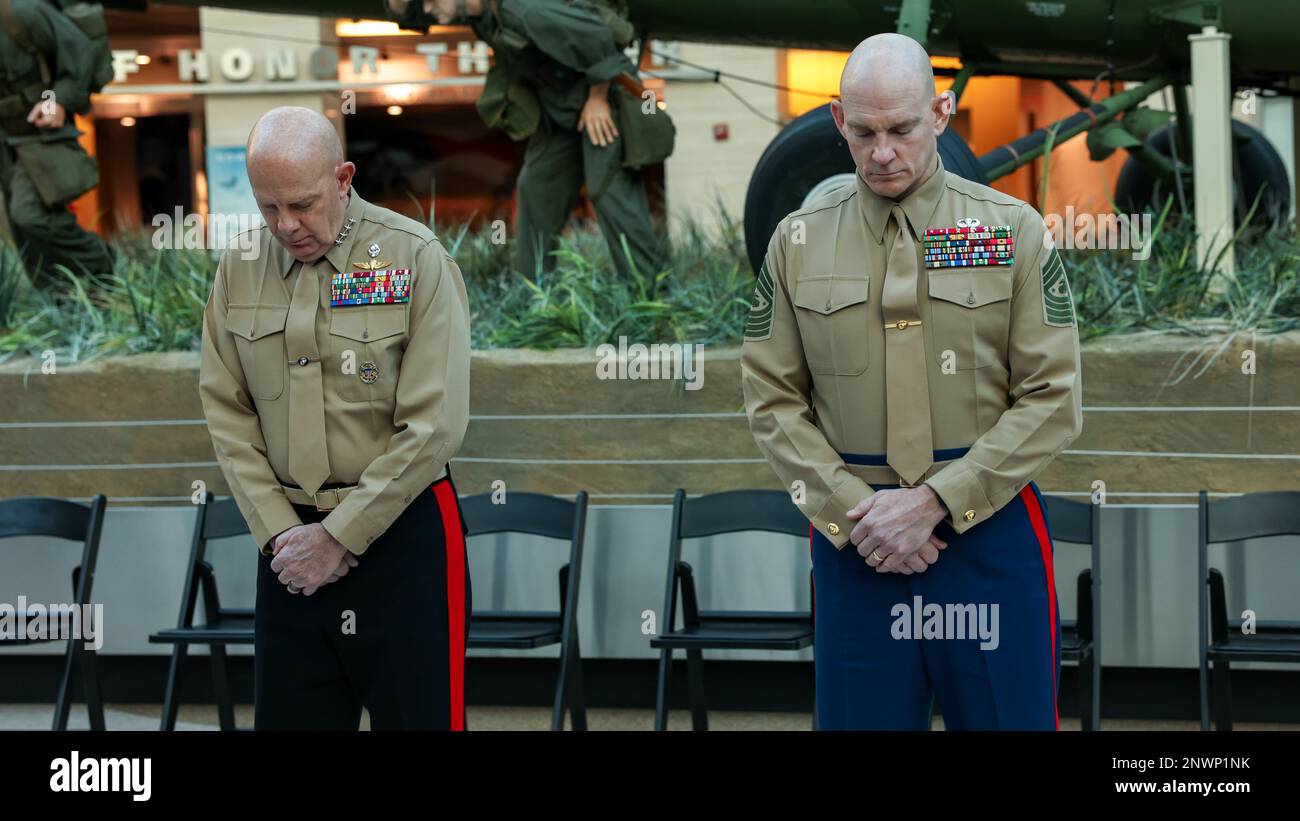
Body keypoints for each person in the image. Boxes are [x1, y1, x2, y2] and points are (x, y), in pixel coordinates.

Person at [740, 33, 1083, 730]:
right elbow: (771, 402)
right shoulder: (796, 243)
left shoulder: (1009, 232)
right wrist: (854, 512)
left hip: (987, 537)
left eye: (901, 128)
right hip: (857, 545)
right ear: (837, 120)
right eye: (863, 131)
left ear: (942, 114)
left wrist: (936, 500)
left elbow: (1054, 397)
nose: (883, 151)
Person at [199, 106, 472, 730]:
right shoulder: (239, 267)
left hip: (402, 538)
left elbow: (434, 425)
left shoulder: (414, 257)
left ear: (344, 178)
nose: (286, 225)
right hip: (288, 547)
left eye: (302, 203)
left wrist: (340, 535)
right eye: (268, 207)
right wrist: (280, 533)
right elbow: (226, 412)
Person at [388, 0, 667, 279]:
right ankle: (535, 299)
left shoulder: (522, 9)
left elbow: (597, 37)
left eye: (429, 1)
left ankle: (650, 301)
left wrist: (598, 98)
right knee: (536, 189)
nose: (427, 10)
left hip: (603, 102)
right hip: (561, 115)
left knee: (608, 192)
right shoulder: (479, 14)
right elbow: (412, 18)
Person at [0, 0, 113, 285]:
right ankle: (58, 302)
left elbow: (78, 52)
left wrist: (56, 100)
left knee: (28, 216)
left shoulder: (22, 12)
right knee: (23, 234)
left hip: (40, 135)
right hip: (6, 142)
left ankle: (100, 260)